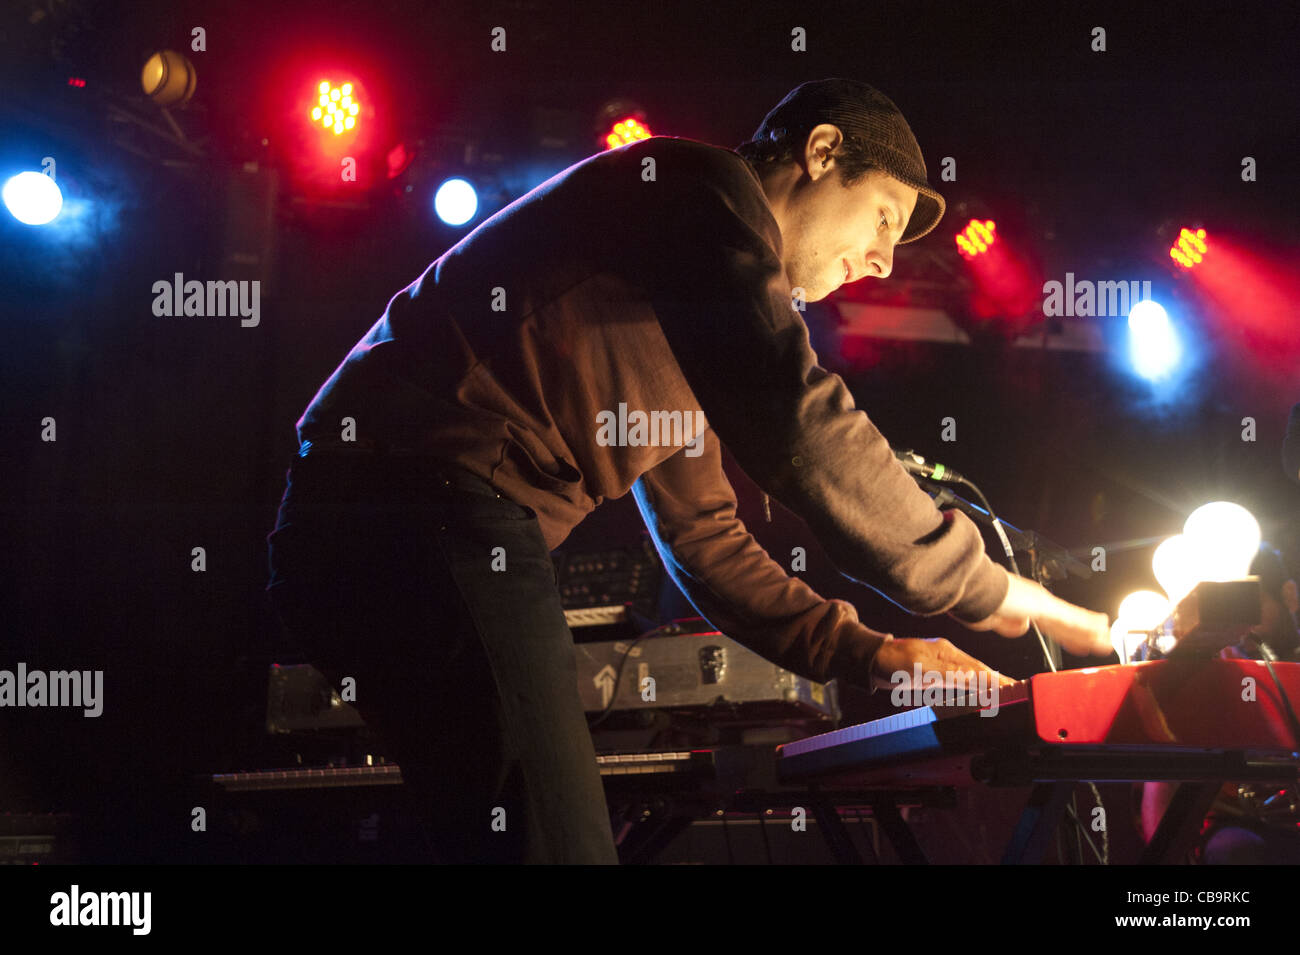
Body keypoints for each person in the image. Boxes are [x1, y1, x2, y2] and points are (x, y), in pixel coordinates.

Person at [265, 78, 1111, 864]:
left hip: (395, 521)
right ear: (821, 154)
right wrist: (998, 593)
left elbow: (706, 543)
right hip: (414, 507)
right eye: (884, 215)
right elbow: (802, 423)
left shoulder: (694, 302)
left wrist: (878, 653)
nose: (885, 259)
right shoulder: (689, 188)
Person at [1139, 544, 1300, 863]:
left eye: (1251, 602)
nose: (1241, 623)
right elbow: (1161, 777)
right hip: (1235, 831)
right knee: (1236, 851)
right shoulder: (1209, 673)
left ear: (1289, 595)